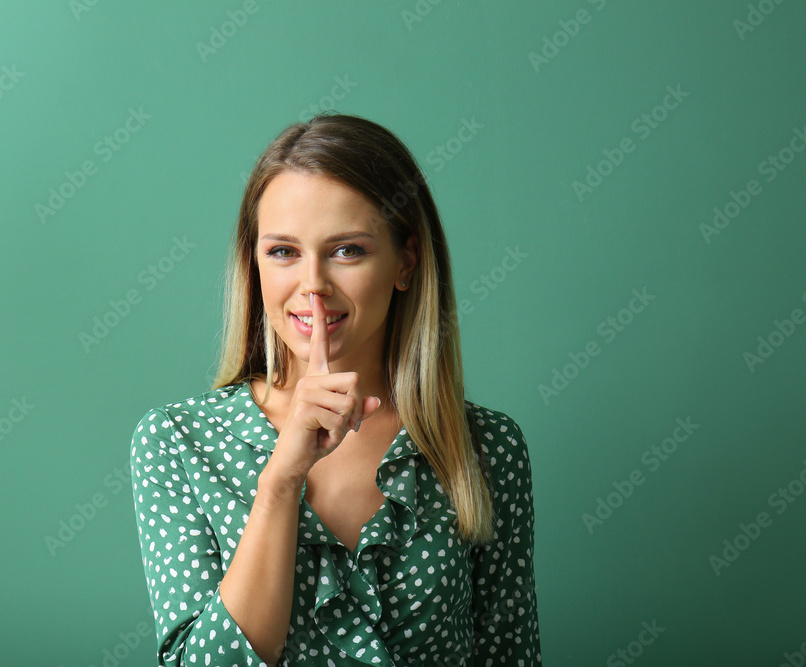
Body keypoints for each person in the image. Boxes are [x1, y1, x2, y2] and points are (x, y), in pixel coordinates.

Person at [130, 112, 541, 666]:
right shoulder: (177, 442)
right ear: (254, 265)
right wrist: (281, 478)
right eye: (283, 252)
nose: (312, 286)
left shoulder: (485, 448)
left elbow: (510, 656)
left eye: (347, 250)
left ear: (406, 261)